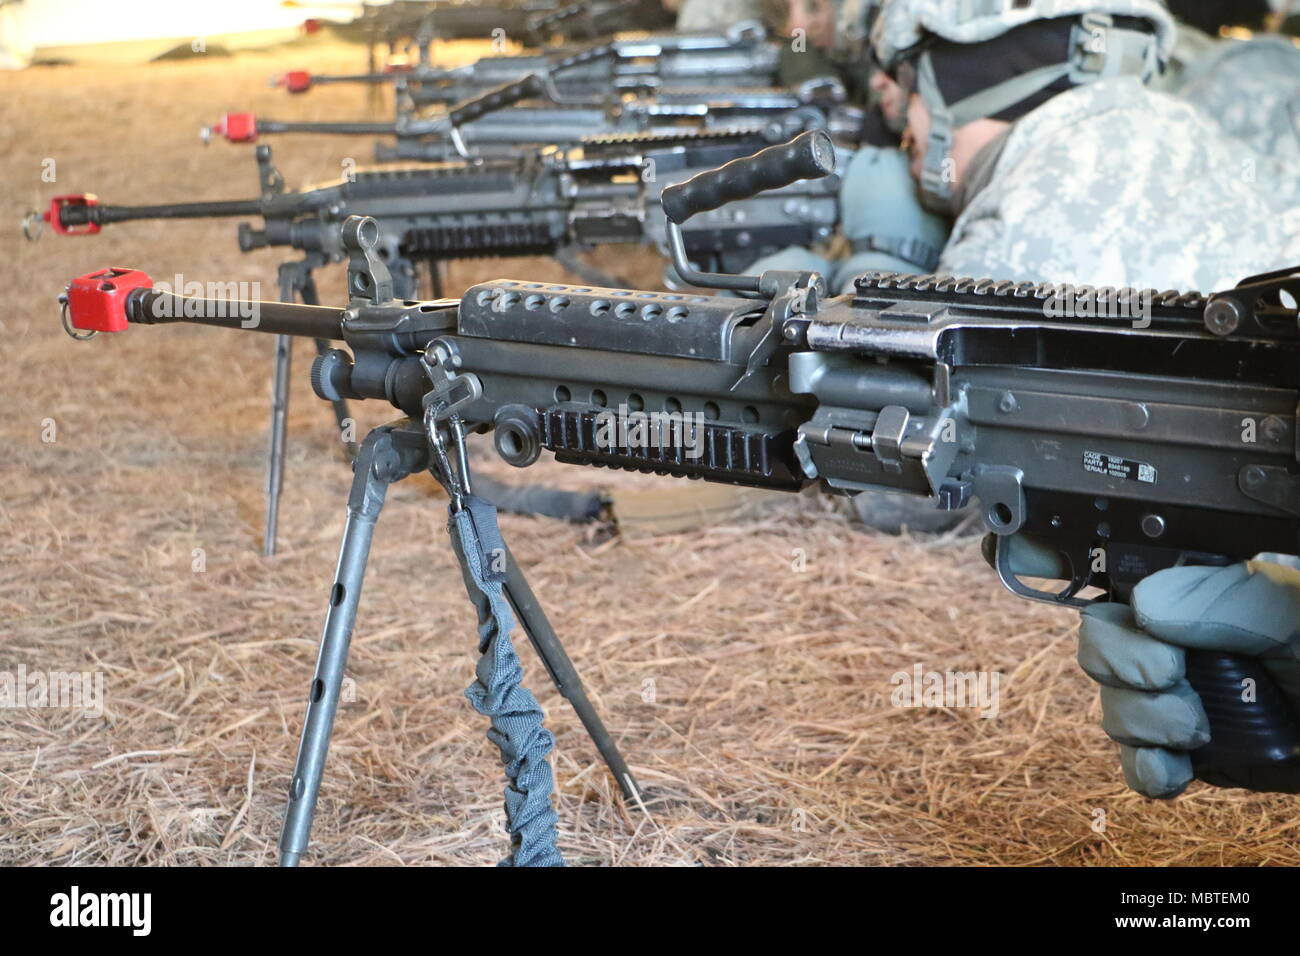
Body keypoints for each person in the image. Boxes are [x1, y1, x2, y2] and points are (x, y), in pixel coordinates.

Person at [873, 0, 1300, 797]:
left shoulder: (1027, 205)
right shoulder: (1188, 131)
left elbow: (913, 468)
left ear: (961, 76)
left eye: (907, 85)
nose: (897, 116)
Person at [872, 0, 1300, 292]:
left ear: (952, 87)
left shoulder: (1015, 235)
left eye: (909, 86)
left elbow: (923, 408)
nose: (902, 120)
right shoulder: (1177, 125)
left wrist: (865, 281)